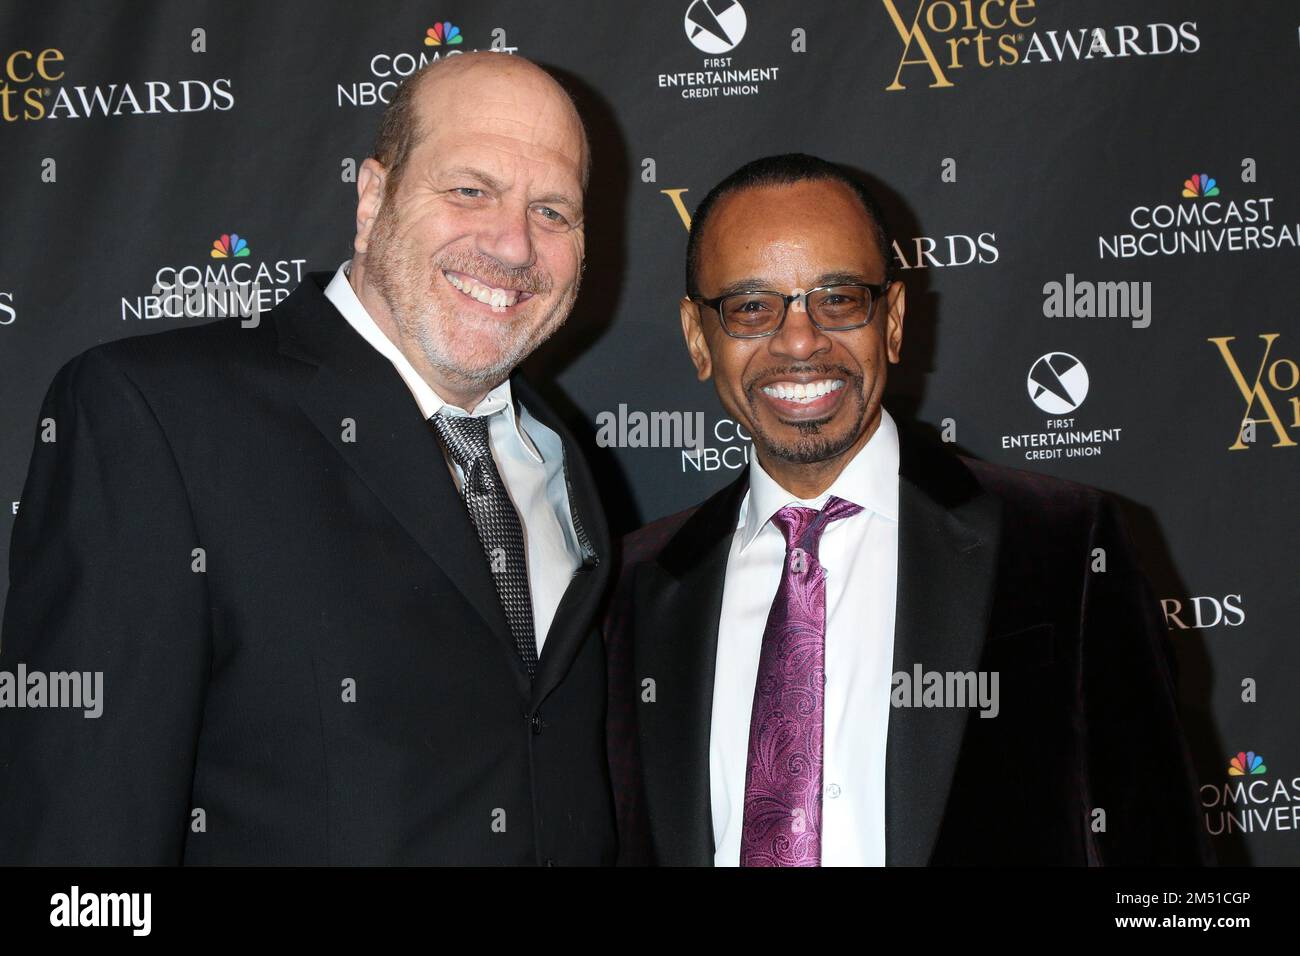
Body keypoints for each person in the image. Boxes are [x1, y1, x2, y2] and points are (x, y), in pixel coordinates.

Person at [0, 52, 616, 865]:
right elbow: (81, 842)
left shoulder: (558, 460)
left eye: (554, 211)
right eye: (470, 189)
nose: (512, 243)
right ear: (372, 198)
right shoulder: (158, 417)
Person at [605, 153, 1212, 866]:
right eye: (750, 307)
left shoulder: (1064, 545)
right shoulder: (633, 589)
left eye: (838, 299)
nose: (799, 340)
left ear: (892, 319)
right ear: (697, 338)